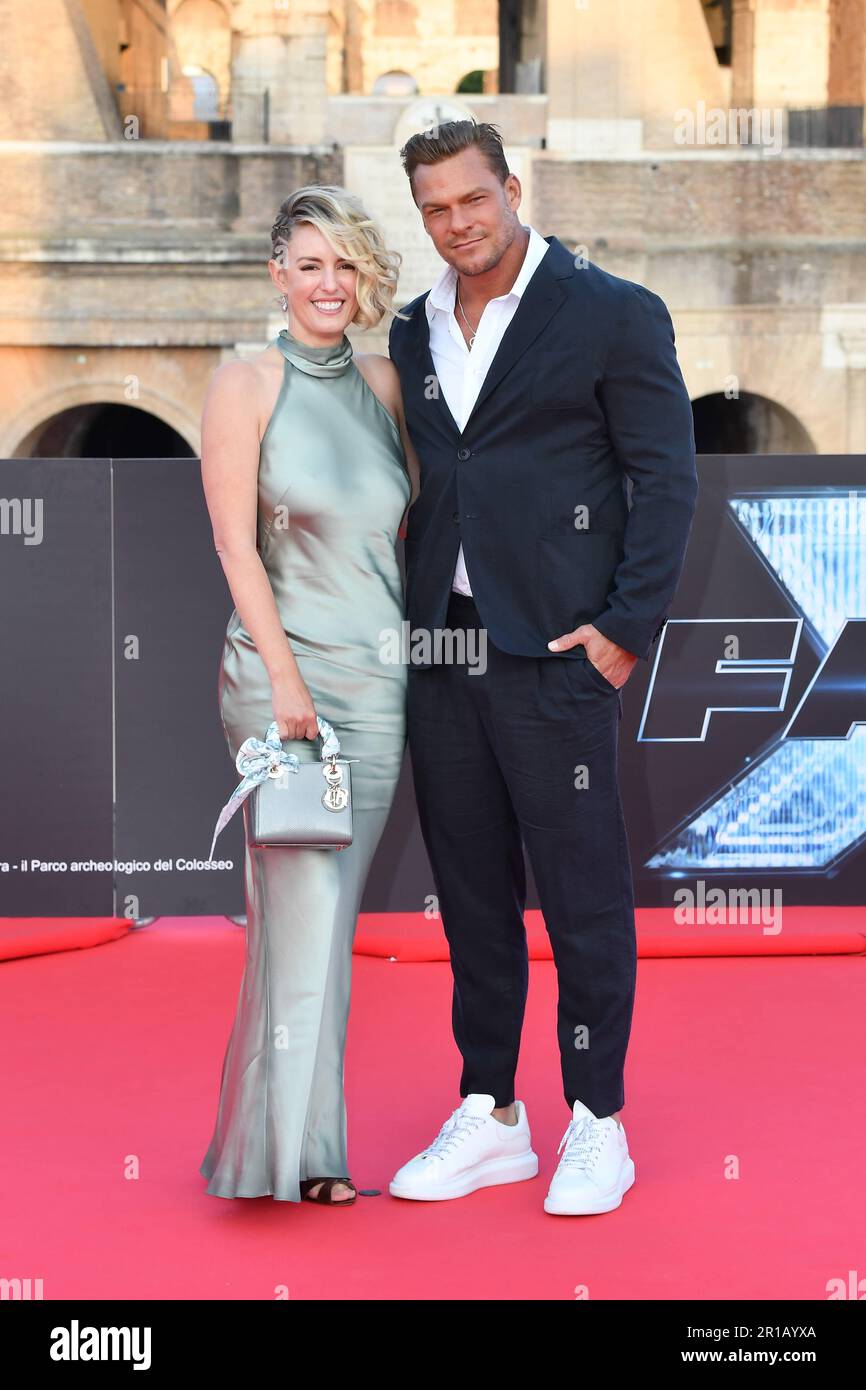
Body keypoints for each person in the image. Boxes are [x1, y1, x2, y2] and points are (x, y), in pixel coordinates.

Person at [386, 120, 698, 1215]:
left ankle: (595, 1121)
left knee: (580, 901)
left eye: (471, 199)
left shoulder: (611, 312)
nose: (455, 223)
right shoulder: (412, 326)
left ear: (509, 189)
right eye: (433, 208)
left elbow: (665, 484)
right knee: (470, 898)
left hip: (556, 657)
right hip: (445, 651)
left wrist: (622, 628)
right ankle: (491, 1114)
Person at [199, 185, 418, 1205]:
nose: (327, 283)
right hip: (281, 682)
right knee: (300, 906)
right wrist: (284, 677)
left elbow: (407, 530)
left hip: (376, 685)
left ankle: (281, 1147)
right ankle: (294, 1156)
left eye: (344, 265)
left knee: (327, 921)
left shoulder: (382, 383)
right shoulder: (244, 381)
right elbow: (234, 542)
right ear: (277, 272)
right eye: (309, 263)